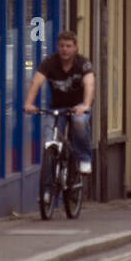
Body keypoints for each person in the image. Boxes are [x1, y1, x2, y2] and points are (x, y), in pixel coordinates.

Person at [24, 30, 95, 174]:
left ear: (75, 47)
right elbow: (36, 82)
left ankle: (84, 159)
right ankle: (48, 188)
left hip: (78, 106)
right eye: (62, 46)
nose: (65, 49)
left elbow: (89, 83)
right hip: (57, 108)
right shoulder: (49, 63)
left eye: (68, 46)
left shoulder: (83, 63)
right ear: (57, 46)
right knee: (50, 140)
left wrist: (86, 105)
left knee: (79, 122)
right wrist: (28, 103)